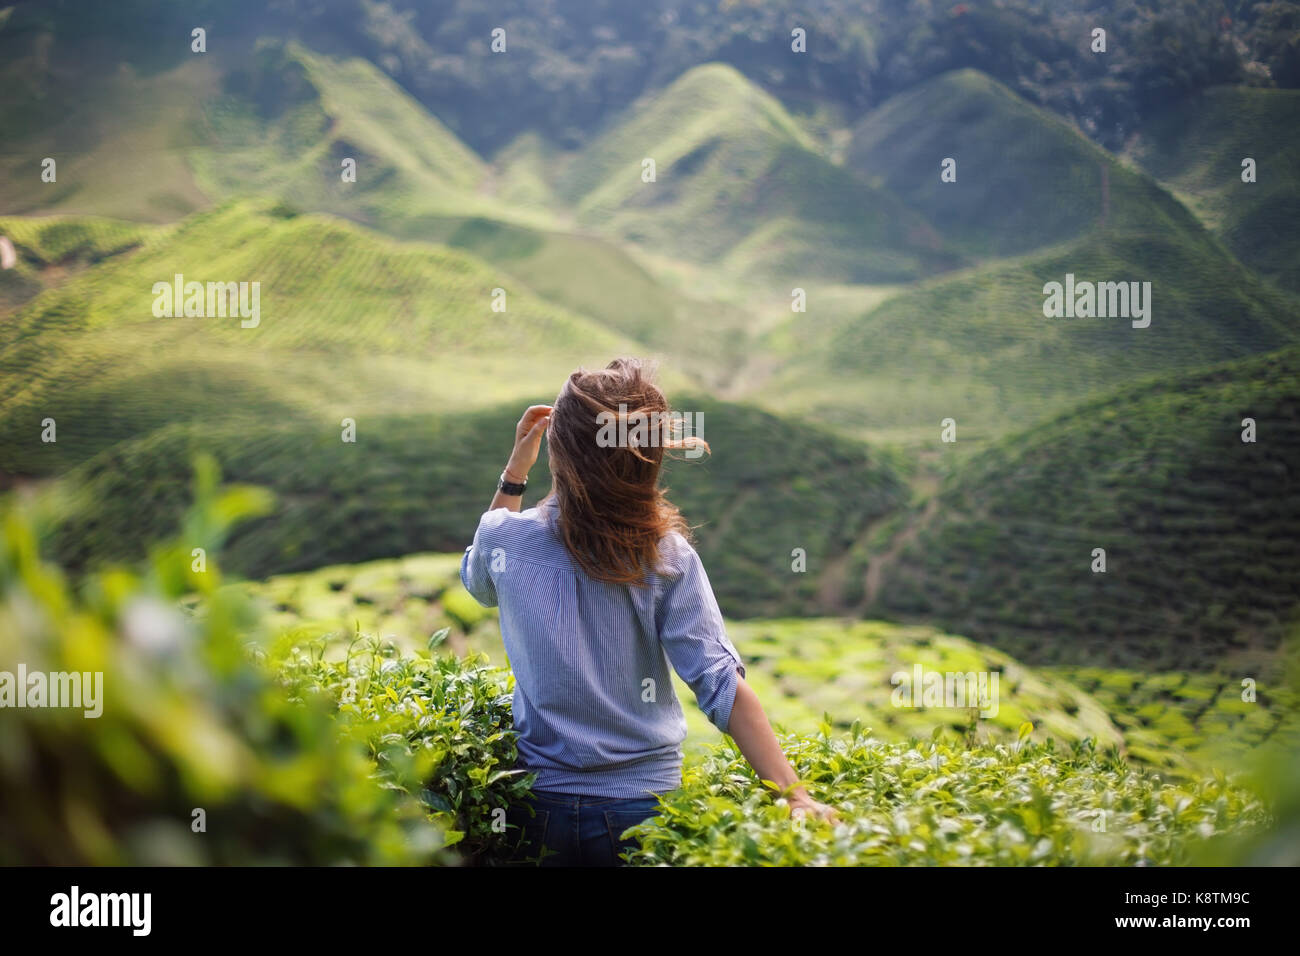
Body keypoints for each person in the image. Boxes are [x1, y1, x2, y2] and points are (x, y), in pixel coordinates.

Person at [460, 357, 837, 867]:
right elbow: (721, 684)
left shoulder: (504, 538)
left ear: (557, 447)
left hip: (534, 804)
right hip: (645, 809)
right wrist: (794, 794)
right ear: (646, 458)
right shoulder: (665, 554)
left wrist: (514, 474)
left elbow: (479, 583)